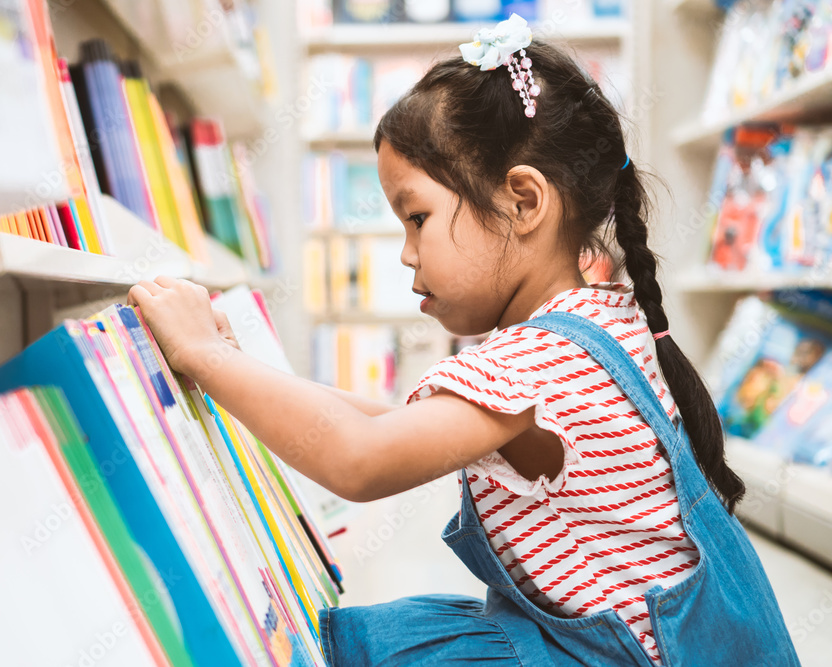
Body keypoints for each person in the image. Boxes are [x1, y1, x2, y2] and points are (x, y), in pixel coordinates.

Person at [128, 14, 799, 667]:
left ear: (524, 202)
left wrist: (203, 356)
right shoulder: (603, 326)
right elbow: (405, 425)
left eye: (418, 218)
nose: (405, 253)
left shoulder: (540, 361)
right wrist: (247, 373)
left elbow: (360, 458)